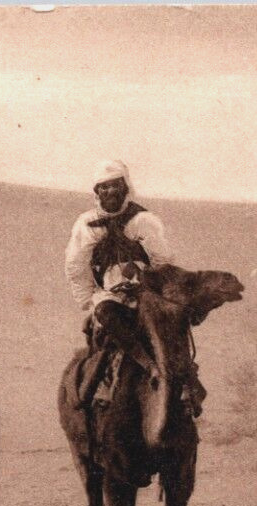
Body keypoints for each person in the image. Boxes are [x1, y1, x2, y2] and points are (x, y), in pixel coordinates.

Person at [63, 160, 204, 414]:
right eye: (104, 187)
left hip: (144, 289)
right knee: (106, 315)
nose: (110, 192)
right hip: (109, 292)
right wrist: (89, 299)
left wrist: (145, 278)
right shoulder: (86, 224)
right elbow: (76, 265)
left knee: (173, 319)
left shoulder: (143, 220)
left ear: (125, 187)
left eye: (116, 185)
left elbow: (162, 260)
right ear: (97, 192)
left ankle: (187, 383)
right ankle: (142, 366)